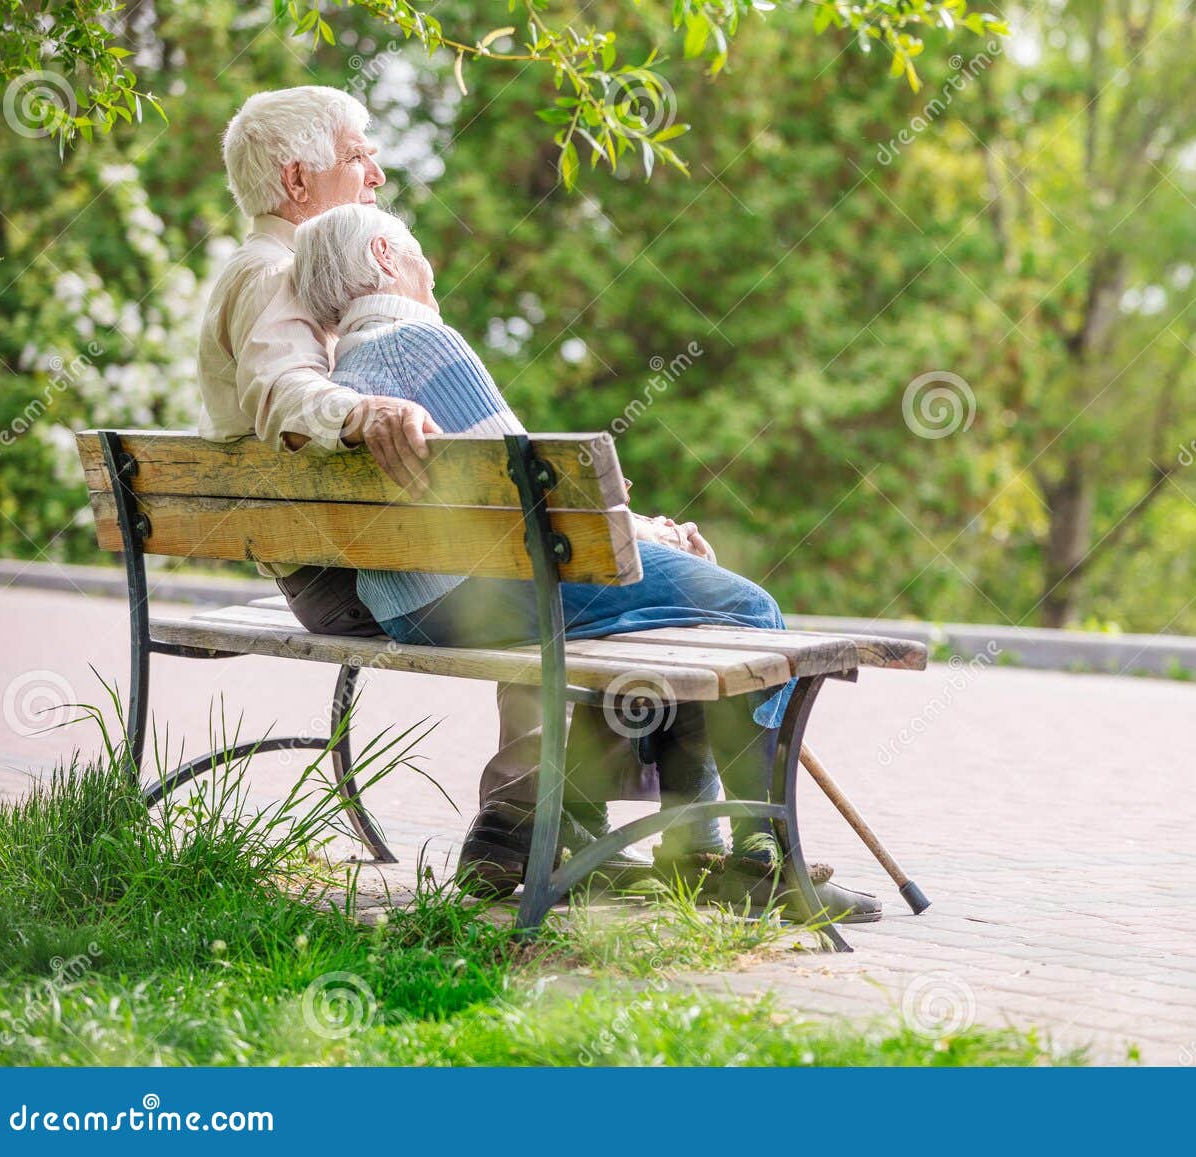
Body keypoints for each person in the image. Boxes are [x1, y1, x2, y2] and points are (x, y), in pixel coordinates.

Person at [290, 202, 881, 923]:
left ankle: (690, 847)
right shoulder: (421, 343)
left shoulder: (343, 377)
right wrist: (656, 535)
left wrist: (638, 534)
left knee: (658, 626)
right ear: (385, 257)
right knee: (750, 611)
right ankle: (764, 860)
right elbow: (538, 501)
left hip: (408, 608)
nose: (430, 270)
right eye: (419, 255)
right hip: (484, 590)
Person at [196, 86, 651, 897]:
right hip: (349, 576)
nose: (376, 174)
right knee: (557, 571)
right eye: (358, 155)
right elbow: (281, 389)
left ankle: (545, 823)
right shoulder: (275, 273)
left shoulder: (283, 270)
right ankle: (531, 823)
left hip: (346, 555)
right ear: (297, 181)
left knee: (540, 560)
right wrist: (361, 410)